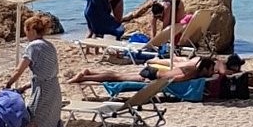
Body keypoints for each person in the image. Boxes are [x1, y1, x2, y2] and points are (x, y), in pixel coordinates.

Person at [5, 15, 77, 127]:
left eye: (26, 29)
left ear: (31, 30)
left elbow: (19, 70)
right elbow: (47, 73)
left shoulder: (32, 47)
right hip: (53, 90)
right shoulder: (50, 46)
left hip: (43, 93)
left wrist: (7, 85)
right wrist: (27, 86)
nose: (25, 33)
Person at [70, 55, 216, 84]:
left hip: (153, 72)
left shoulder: (191, 68)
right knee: (118, 77)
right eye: (211, 70)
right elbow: (173, 79)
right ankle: (84, 78)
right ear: (206, 68)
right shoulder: (192, 72)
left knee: (119, 74)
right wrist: (152, 83)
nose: (212, 72)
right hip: (152, 75)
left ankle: (90, 73)